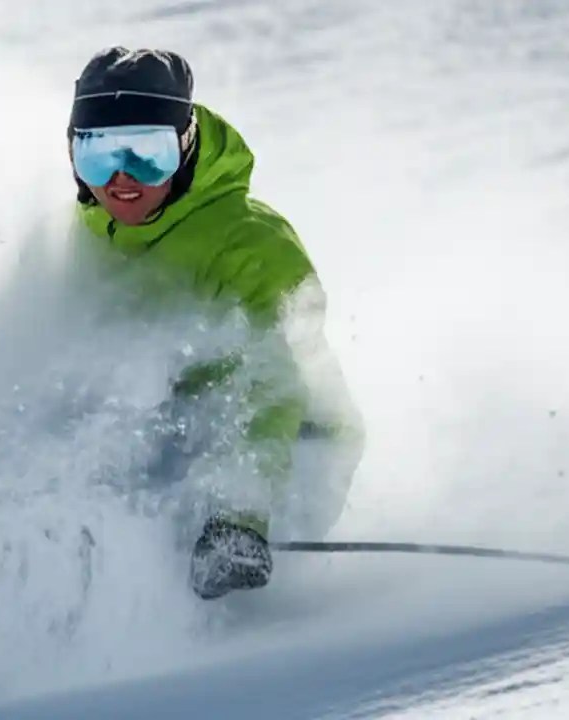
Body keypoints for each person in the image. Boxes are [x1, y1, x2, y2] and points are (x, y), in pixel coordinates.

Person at [68, 47, 363, 600]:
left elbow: (276, 385)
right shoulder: (80, 235)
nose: (122, 178)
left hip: (289, 457)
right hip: (168, 437)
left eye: (148, 154)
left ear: (184, 145)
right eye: (98, 156)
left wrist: (239, 514)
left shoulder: (250, 245)